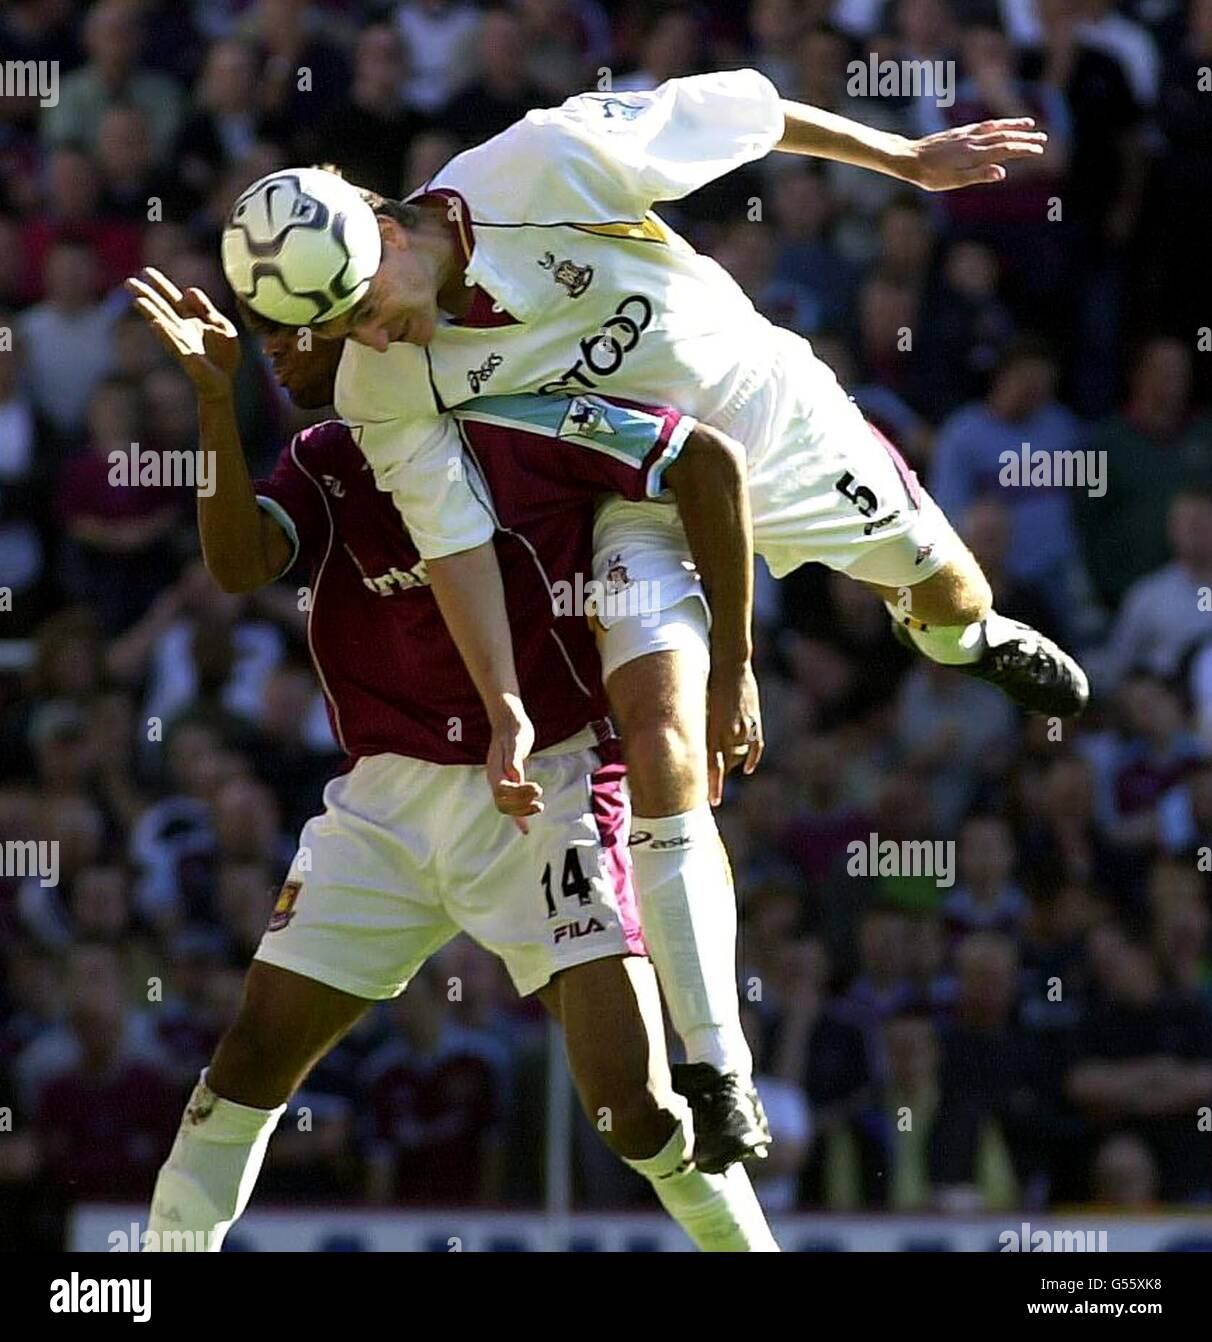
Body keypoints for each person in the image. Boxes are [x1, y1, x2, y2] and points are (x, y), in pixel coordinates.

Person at [223, 74, 1088, 1170]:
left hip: (772, 422)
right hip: (636, 501)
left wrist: (907, 159)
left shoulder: (540, 162)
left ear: (384, 236)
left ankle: (969, 641)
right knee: (665, 741)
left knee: (949, 597)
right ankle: (721, 1066)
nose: (367, 338)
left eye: (359, 310)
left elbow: (753, 110)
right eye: (336, 332)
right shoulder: (381, 382)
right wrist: (502, 710)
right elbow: (454, 546)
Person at [126, 268, 776, 1250]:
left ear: (362, 330)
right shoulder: (326, 457)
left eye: (294, 327)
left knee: (635, 1110)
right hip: (385, 802)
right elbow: (238, 564)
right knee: (250, 1057)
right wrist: (215, 401)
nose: (273, 346)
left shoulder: (522, 425)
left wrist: (730, 665)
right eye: (264, 332)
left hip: (550, 788)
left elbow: (710, 466)